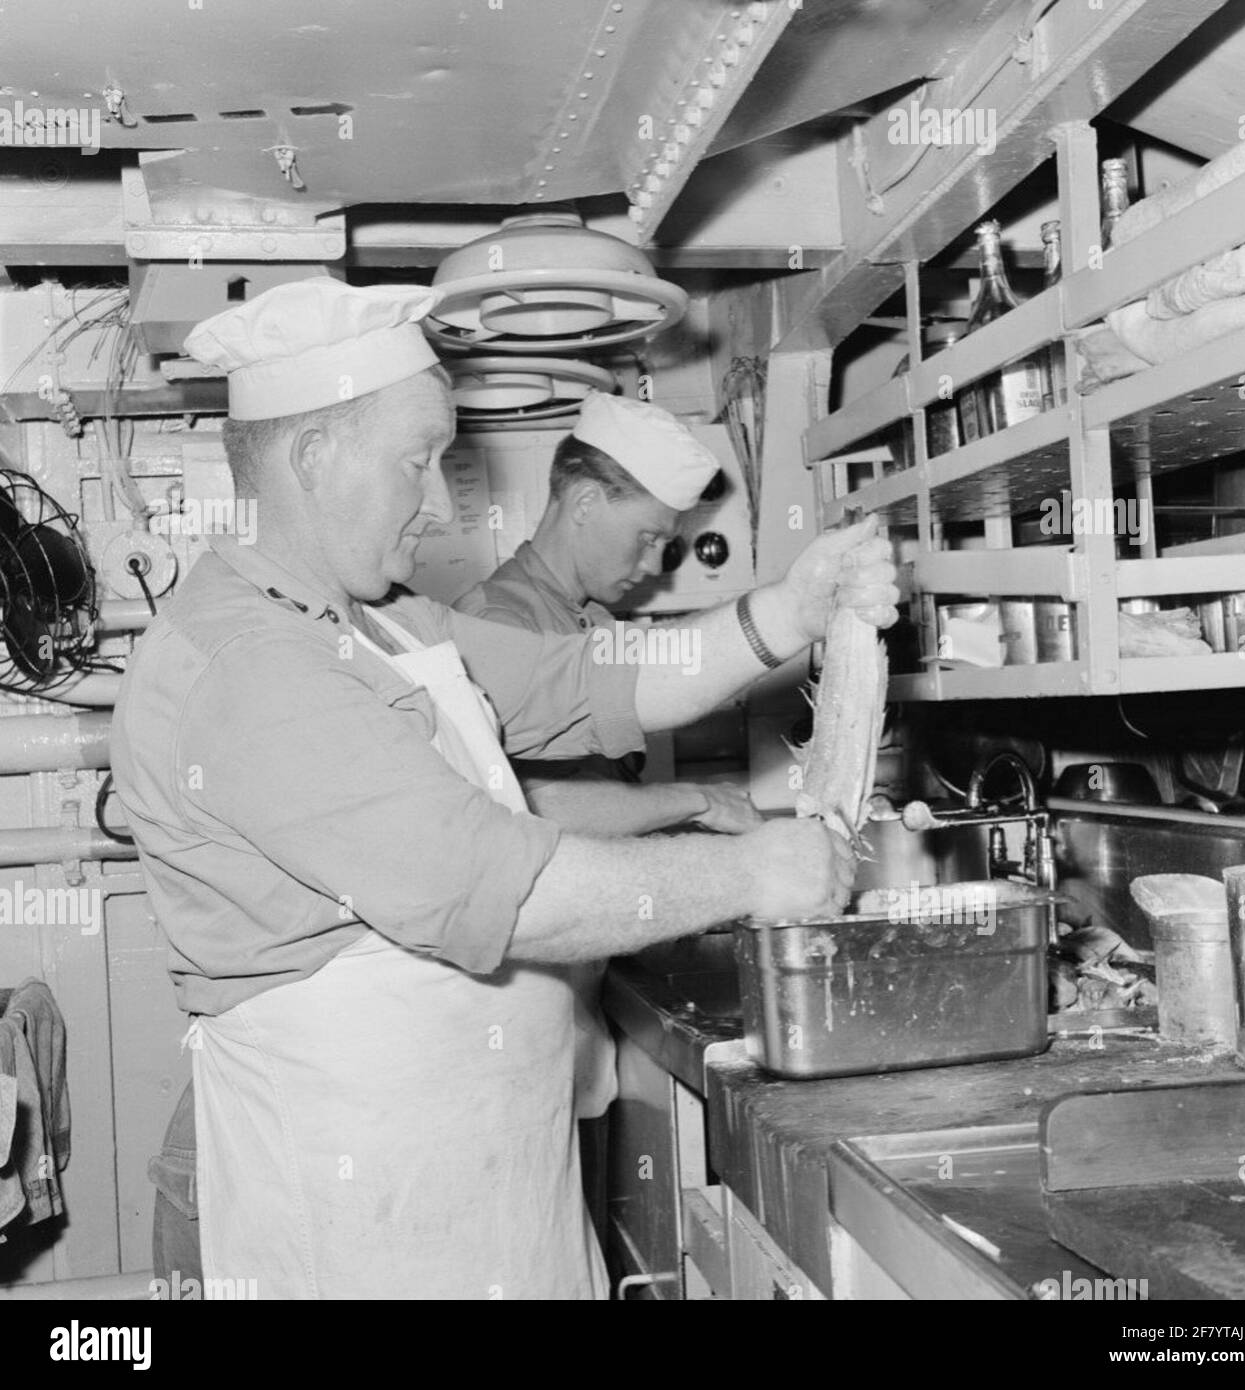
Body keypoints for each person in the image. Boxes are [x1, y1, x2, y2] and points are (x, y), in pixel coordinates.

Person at [112, 276, 898, 1299]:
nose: (439, 506)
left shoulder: (378, 623)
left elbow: (588, 682)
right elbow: (508, 892)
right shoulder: (245, 668)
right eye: (418, 462)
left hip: (484, 1196)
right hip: (365, 1222)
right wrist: (755, 869)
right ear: (315, 458)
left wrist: (784, 611)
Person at [454, 393, 763, 1246]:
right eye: (647, 538)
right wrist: (697, 801)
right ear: (583, 503)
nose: (657, 563)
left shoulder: (585, 619)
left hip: (573, 994)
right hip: (519, 1000)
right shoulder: (499, 623)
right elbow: (529, 805)